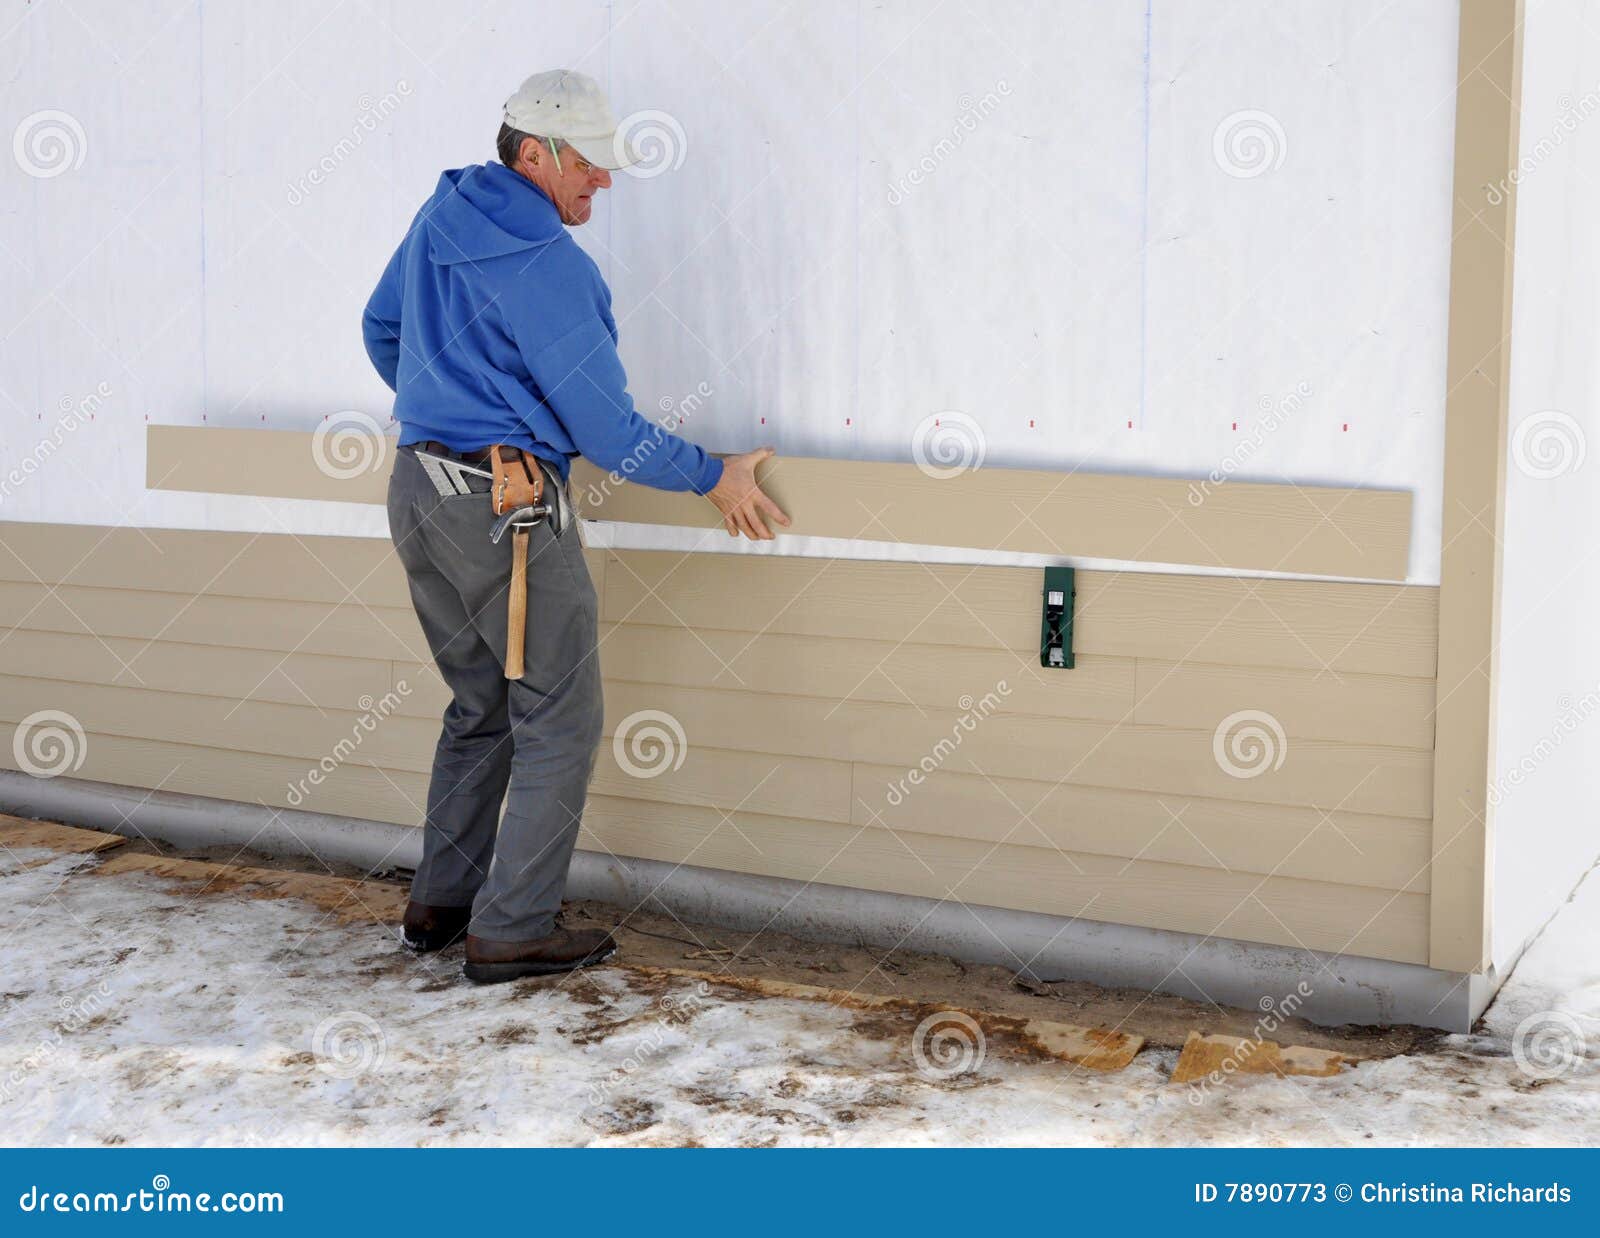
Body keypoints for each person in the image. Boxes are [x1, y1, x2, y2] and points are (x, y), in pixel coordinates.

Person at [362, 69, 788, 983]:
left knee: (480, 706)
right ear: (536, 153)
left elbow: (381, 329)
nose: (604, 182)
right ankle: (511, 929)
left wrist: (453, 404)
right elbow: (605, 431)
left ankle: (441, 906)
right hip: (504, 509)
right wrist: (714, 476)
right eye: (591, 165)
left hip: (417, 490)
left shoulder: (439, 218)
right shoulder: (550, 265)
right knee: (560, 716)